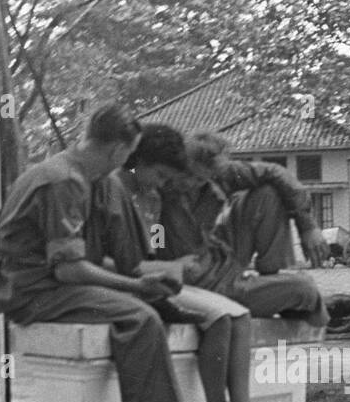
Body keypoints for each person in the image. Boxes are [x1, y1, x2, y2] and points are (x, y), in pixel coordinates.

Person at [0, 102, 203, 402]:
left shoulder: (95, 178)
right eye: (130, 154)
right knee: (139, 318)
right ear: (120, 150)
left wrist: (145, 275)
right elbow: (70, 271)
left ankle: (153, 300)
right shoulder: (62, 180)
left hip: (55, 278)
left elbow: (105, 248)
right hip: (30, 289)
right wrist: (136, 289)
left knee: (144, 303)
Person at [88, 137, 287, 402]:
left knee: (240, 316)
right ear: (143, 163)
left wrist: (170, 264)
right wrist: (160, 267)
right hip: (128, 285)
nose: (166, 184)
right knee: (219, 318)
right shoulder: (110, 192)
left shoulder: (150, 196)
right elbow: (96, 258)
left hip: (156, 278)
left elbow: (151, 248)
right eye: (163, 176)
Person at [132, 124, 329, 328]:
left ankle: (271, 276)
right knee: (305, 288)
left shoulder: (222, 176)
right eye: (187, 173)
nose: (189, 182)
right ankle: (317, 317)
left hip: (218, 260)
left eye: (199, 179)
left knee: (268, 193)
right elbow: (155, 237)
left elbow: (274, 172)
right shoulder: (159, 191)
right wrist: (166, 263)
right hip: (200, 280)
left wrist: (308, 226)